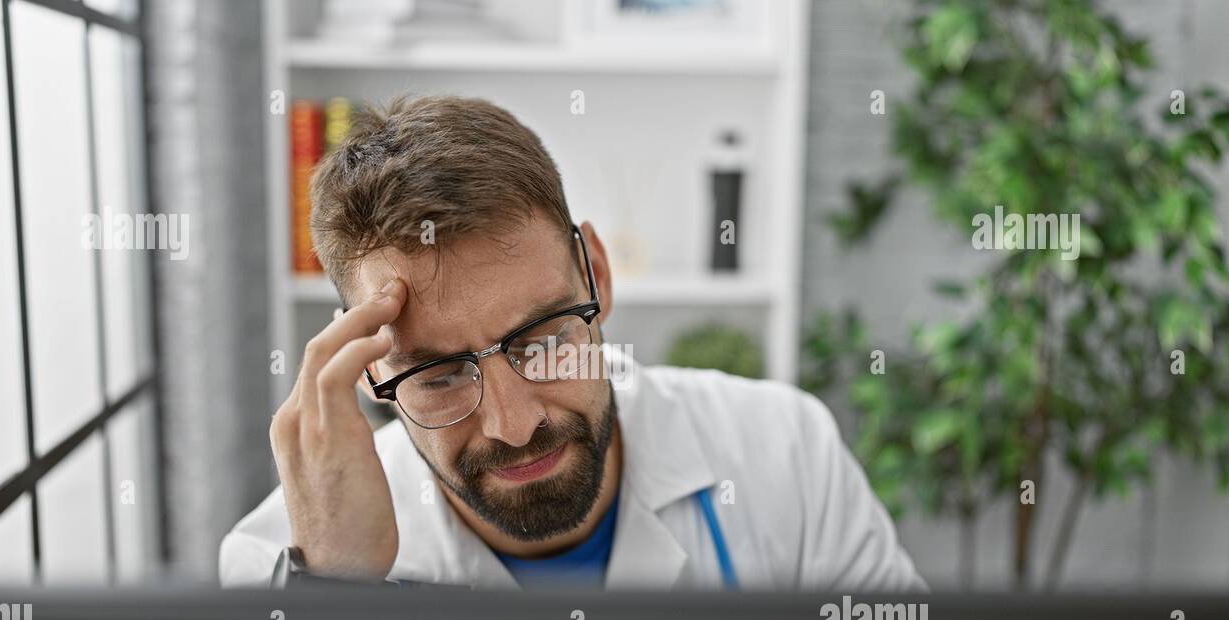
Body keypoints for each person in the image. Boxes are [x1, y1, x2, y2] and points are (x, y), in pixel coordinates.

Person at [220, 95, 925, 592]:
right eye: (438, 375)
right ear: (372, 369)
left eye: (541, 340)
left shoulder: (785, 453)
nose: (515, 422)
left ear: (598, 274)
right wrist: (335, 595)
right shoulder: (282, 566)